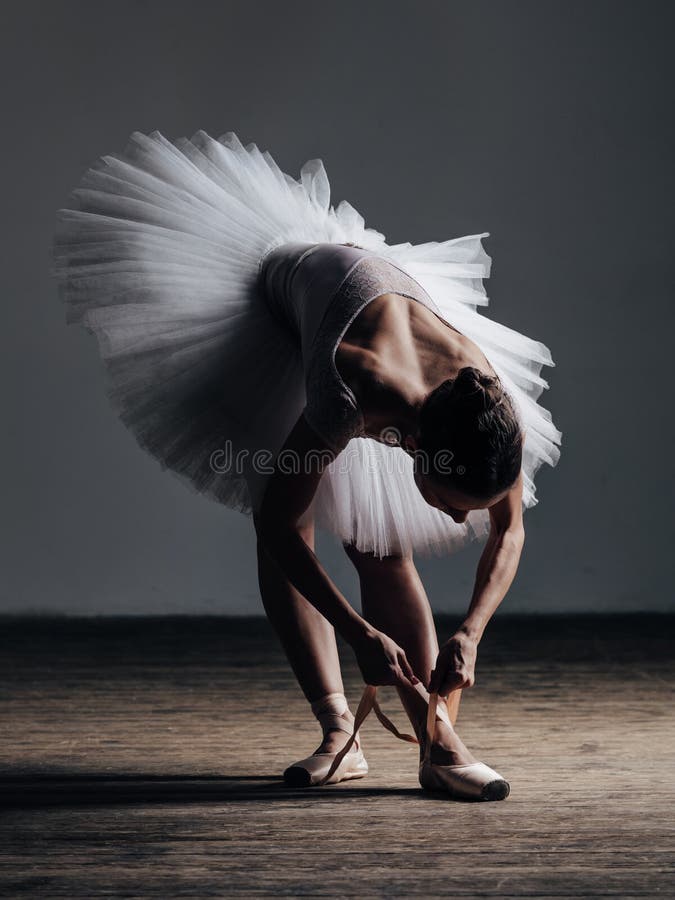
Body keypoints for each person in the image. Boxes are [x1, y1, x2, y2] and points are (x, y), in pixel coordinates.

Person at [52, 129, 562, 801]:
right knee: (291, 520)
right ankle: (336, 732)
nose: (459, 516)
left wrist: (470, 631)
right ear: (421, 447)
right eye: (451, 499)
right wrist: (359, 633)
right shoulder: (349, 391)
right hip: (280, 307)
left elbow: (509, 530)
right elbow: (278, 523)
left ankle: (440, 749)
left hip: (375, 302)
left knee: (381, 546)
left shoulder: (486, 408)